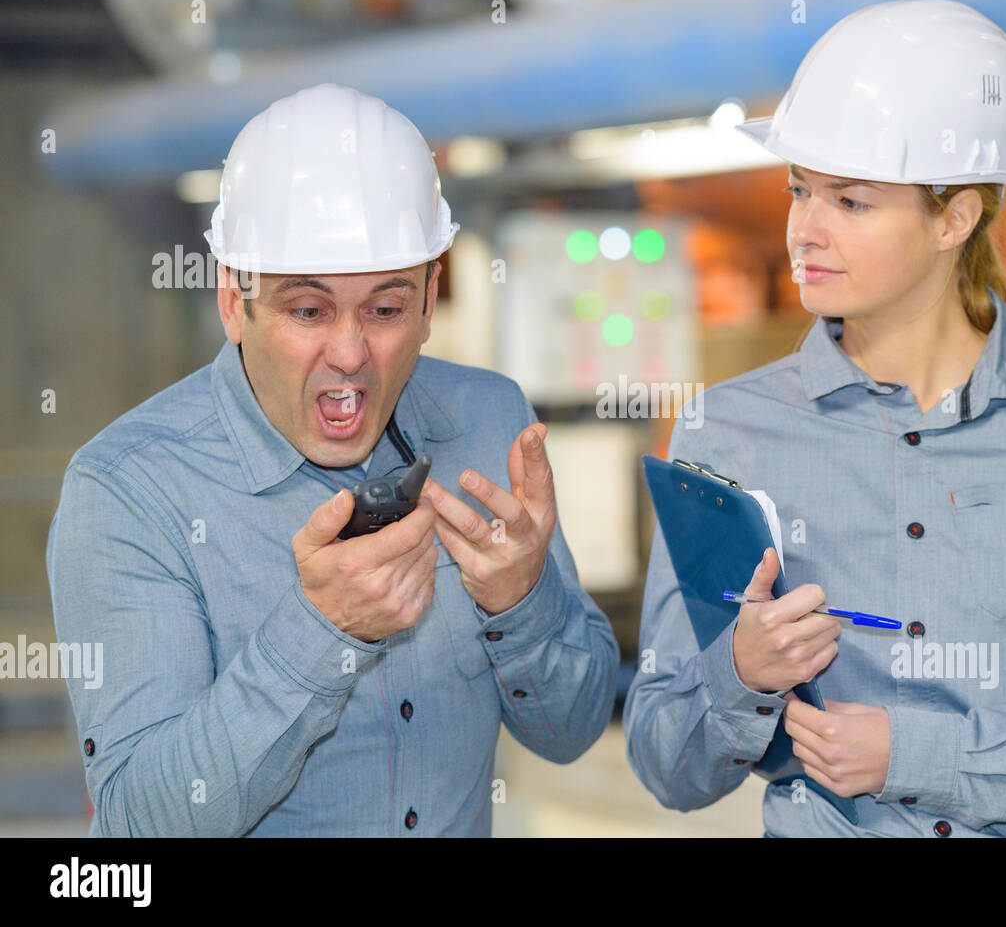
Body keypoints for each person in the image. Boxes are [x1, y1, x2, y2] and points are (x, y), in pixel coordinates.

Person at [624, 0, 1006, 836]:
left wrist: (922, 756)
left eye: (852, 202)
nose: (804, 230)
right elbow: (665, 764)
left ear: (955, 217)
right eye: (800, 190)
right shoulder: (726, 432)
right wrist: (740, 674)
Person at [47, 83, 618, 836]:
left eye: (385, 309)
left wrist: (523, 601)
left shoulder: (488, 424)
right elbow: (141, 824)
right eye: (308, 310)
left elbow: (571, 731)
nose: (350, 354)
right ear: (232, 299)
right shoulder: (128, 491)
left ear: (430, 295)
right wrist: (323, 632)